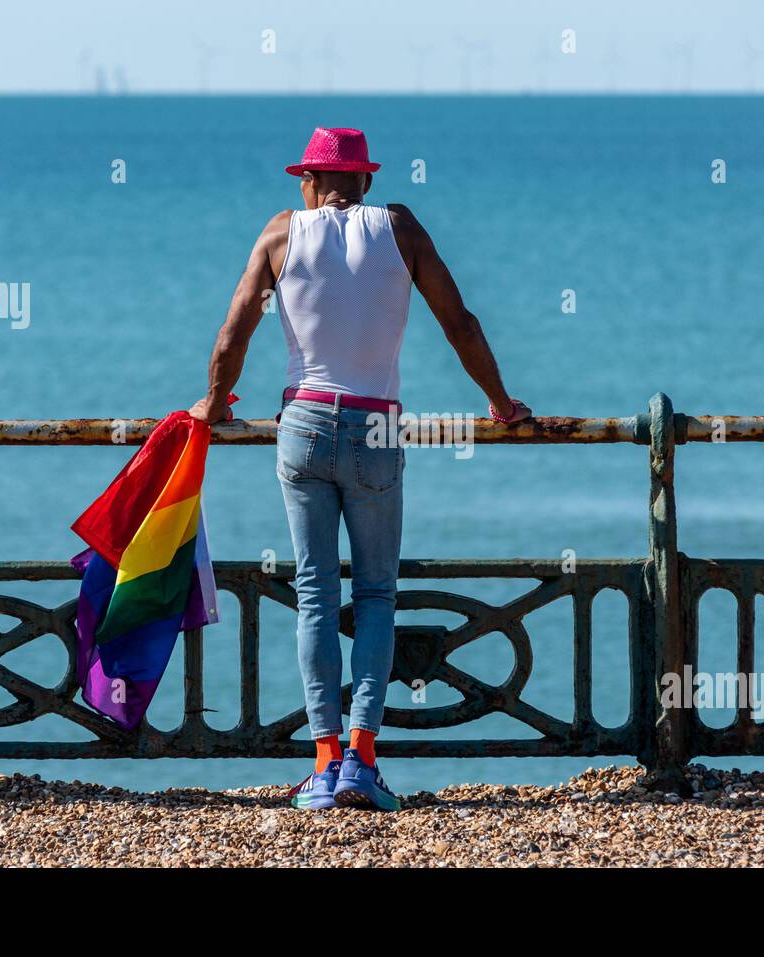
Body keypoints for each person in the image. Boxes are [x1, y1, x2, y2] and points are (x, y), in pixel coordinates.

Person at [190, 126, 530, 811]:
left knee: (316, 593)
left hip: (304, 422)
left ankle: (321, 765)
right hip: (375, 422)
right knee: (375, 595)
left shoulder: (282, 234)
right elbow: (458, 321)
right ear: (366, 182)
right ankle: (363, 762)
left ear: (308, 182)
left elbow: (235, 333)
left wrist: (214, 400)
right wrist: (500, 402)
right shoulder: (399, 228)